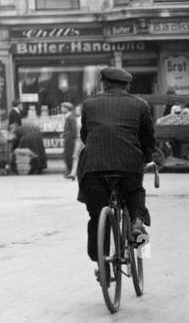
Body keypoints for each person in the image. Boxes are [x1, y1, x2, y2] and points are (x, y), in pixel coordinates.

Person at [75, 67, 159, 274]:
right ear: (128, 86)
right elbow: (148, 138)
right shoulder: (140, 104)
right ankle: (139, 234)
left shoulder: (89, 103)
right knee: (135, 194)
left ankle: (100, 261)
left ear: (104, 84)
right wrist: (147, 158)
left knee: (96, 215)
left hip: (93, 166)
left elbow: (85, 135)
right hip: (128, 164)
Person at [61, 101, 80, 179]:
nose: (61, 109)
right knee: (67, 156)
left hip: (70, 141)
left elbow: (74, 130)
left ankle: (71, 171)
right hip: (69, 140)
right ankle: (69, 171)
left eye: (63, 107)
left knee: (69, 156)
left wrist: (67, 137)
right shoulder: (68, 117)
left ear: (67, 109)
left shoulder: (71, 117)